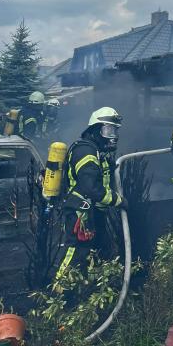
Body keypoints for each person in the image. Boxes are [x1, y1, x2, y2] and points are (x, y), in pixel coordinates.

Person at [54, 107, 127, 282]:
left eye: (115, 130)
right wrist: (119, 201)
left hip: (92, 213)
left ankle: (90, 287)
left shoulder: (96, 152)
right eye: (108, 130)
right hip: (80, 214)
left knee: (96, 250)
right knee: (76, 252)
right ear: (95, 130)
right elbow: (90, 187)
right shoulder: (85, 151)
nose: (113, 135)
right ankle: (60, 290)